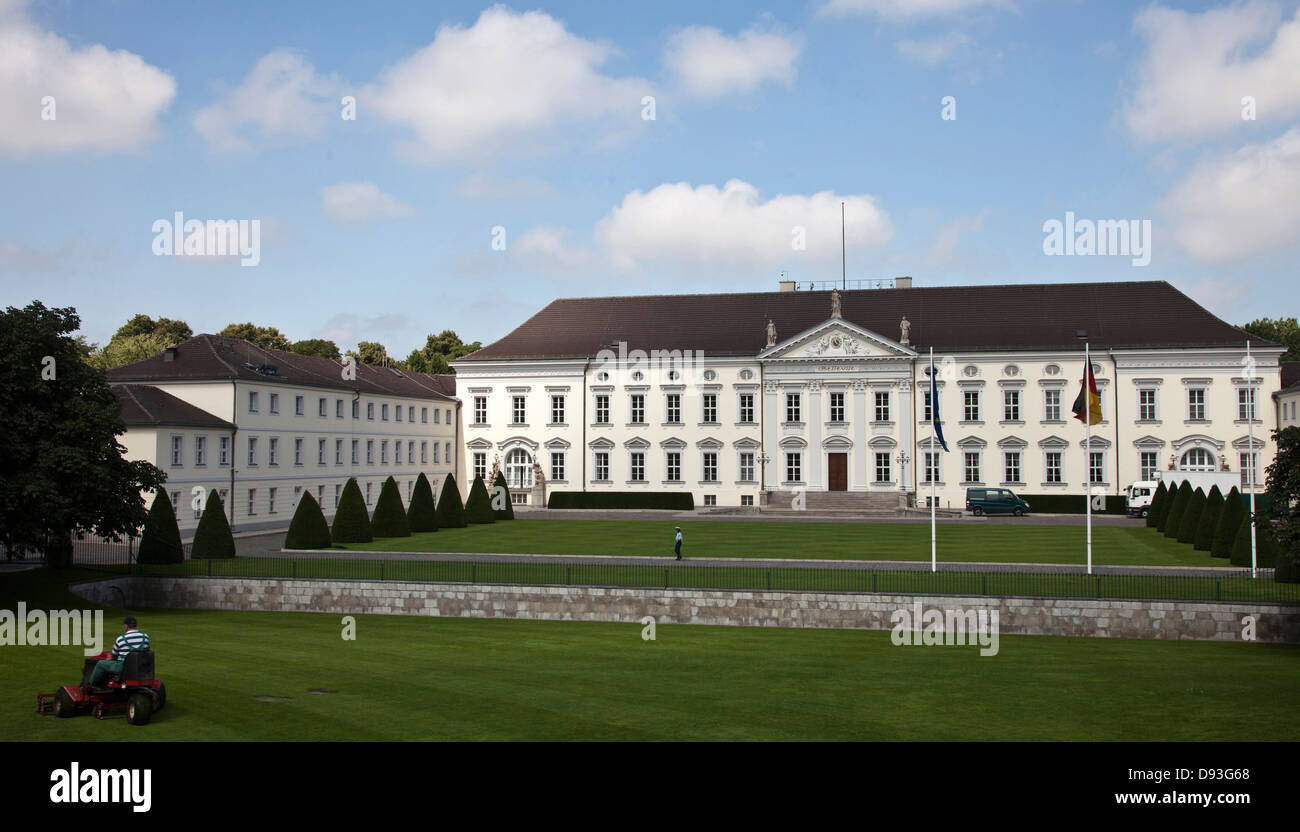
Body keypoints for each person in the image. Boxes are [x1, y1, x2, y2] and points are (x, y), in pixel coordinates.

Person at [88, 616, 151, 689]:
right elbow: (146, 650)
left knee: (100, 664)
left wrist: (113, 650)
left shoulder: (121, 639)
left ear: (126, 626)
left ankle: (91, 685)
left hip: (124, 668)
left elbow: (114, 656)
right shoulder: (145, 637)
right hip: (142, 667)